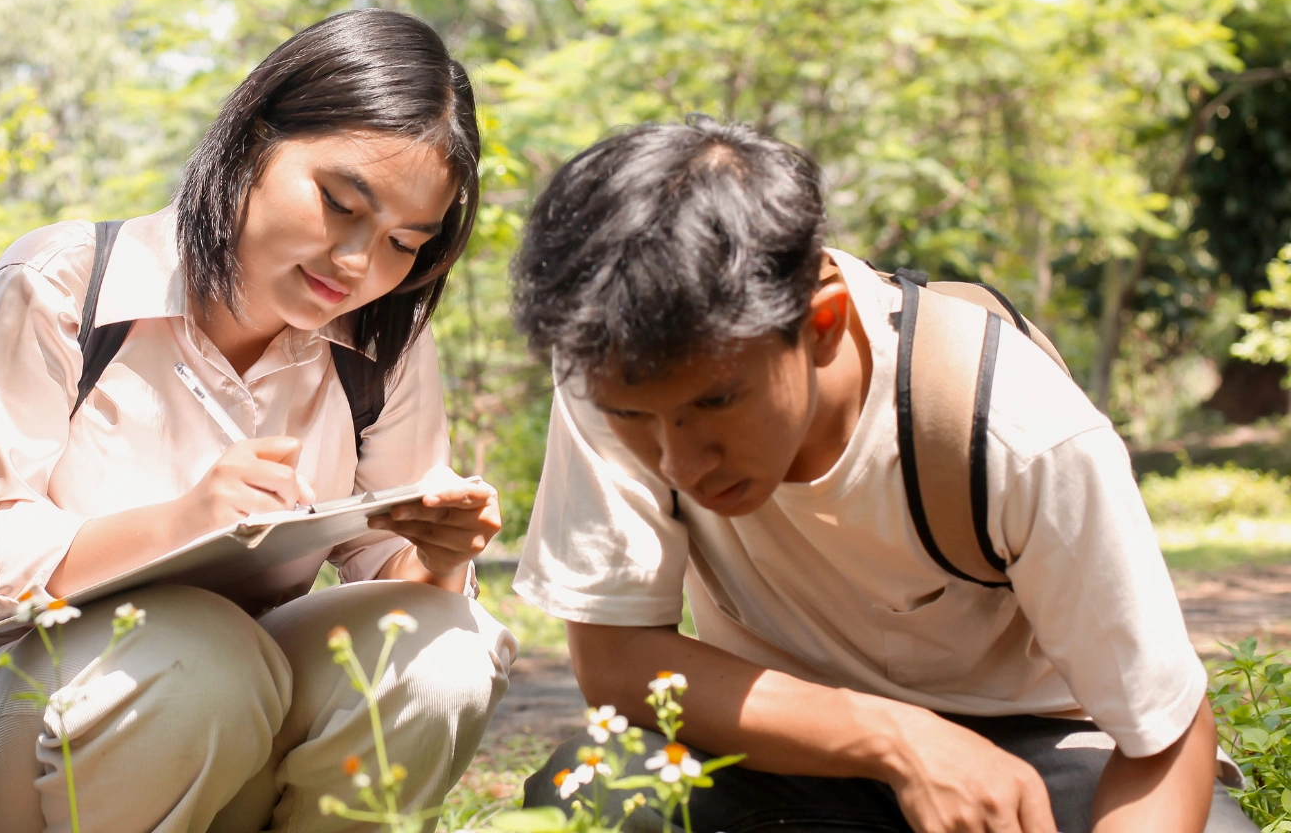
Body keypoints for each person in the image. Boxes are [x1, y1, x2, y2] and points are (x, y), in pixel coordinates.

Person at [506, 118, 1253, 832]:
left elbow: (1164, 734)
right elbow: (618, 659)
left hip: (1043, 759)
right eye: (635, 418)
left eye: (718, 400)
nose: (679, 462)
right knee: (595, 792)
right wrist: (897, 741)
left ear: (822, 321)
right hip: (784, 753)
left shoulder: (1015, 424)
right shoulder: (612, 375)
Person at [0, 8, 515, 833]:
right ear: (252, 138)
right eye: (341, 203)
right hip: (28, 722)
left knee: (444, 643)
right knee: (199, 653)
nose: (358, 263)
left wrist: (438, 559)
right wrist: (181, 523)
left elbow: (390, 598)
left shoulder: (386, 341)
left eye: (404, 241)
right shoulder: (64, 284)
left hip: (247, 719)